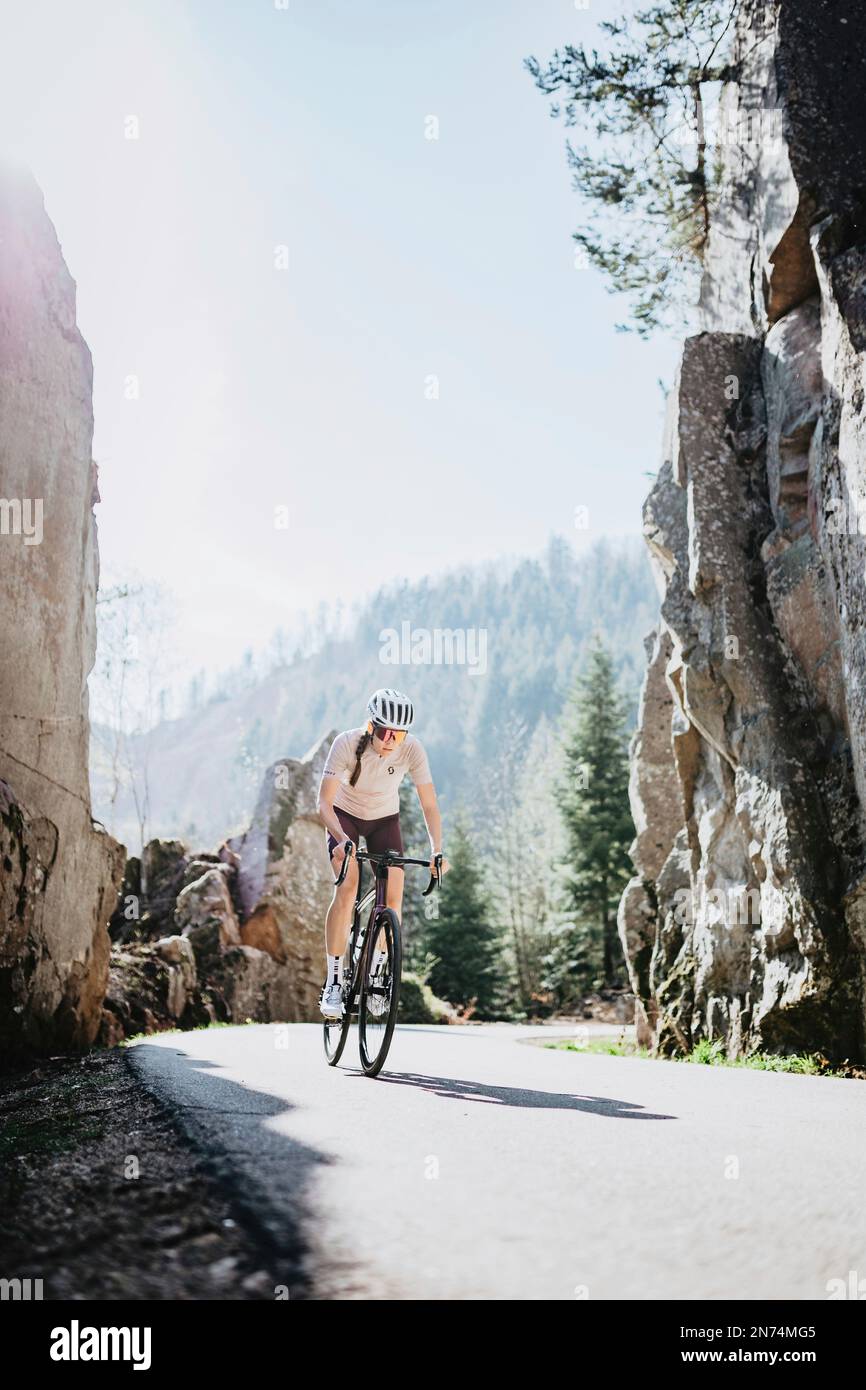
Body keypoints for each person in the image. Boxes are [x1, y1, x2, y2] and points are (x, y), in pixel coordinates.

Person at [316, 687, 448, 1018]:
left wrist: (437, 850)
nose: (391, 740)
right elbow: (323, 803)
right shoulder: (346, 744)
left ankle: (376, 975)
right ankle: (333, 982)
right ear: (371, 726)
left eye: (399, 734)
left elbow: (429, 805)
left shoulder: (412, 750)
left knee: (393, 900)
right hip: (344, 818)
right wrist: (341, 839)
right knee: (347, 891)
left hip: (384, 821)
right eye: (385, 731)